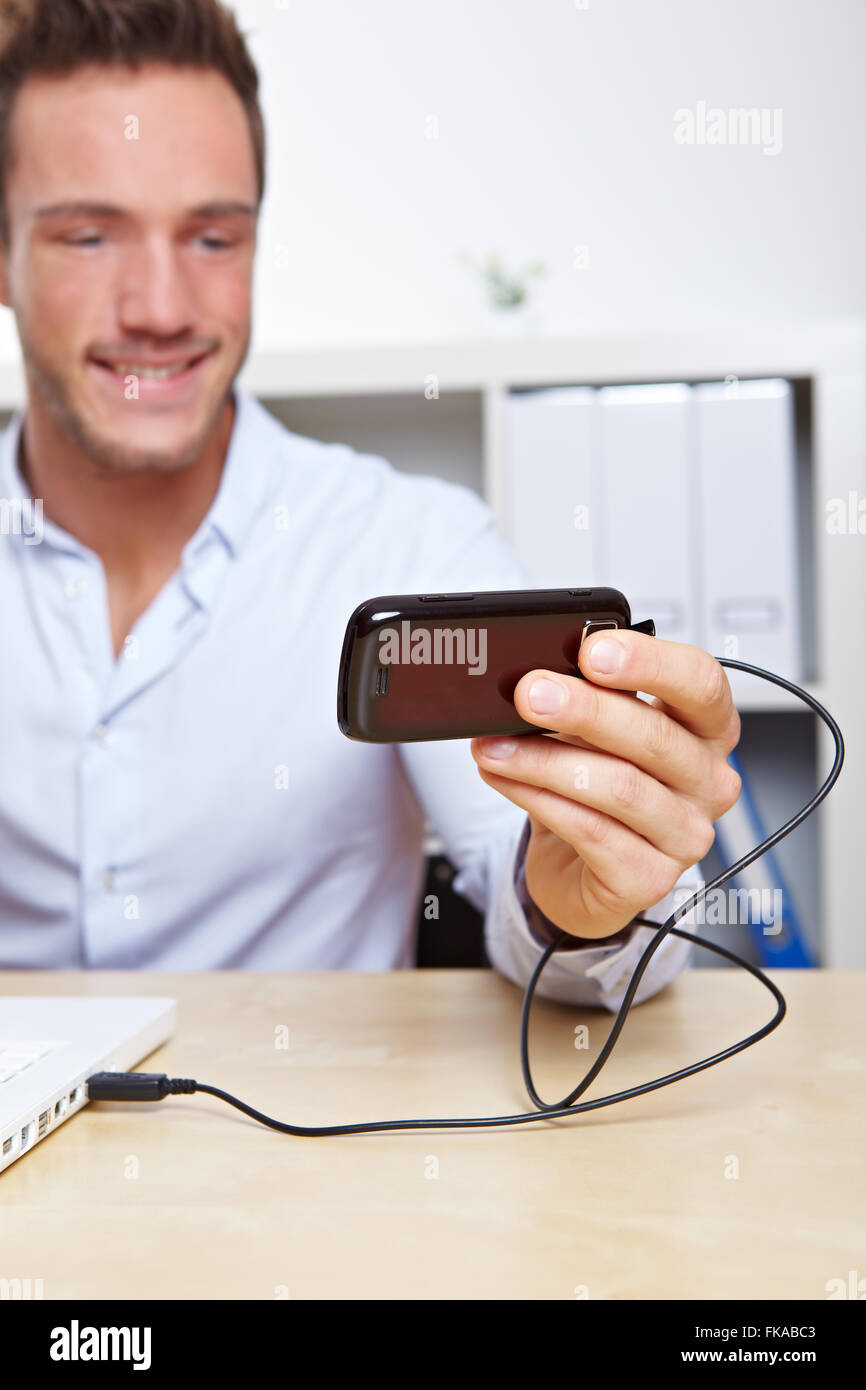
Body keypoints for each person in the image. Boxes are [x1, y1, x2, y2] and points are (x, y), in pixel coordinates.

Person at [0, 0, 741, 1010]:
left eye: (213, 238)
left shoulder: (413, 545)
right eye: (90, 237)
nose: (162, 307)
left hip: (306, 1156)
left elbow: (567, 924)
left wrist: (586, 898)